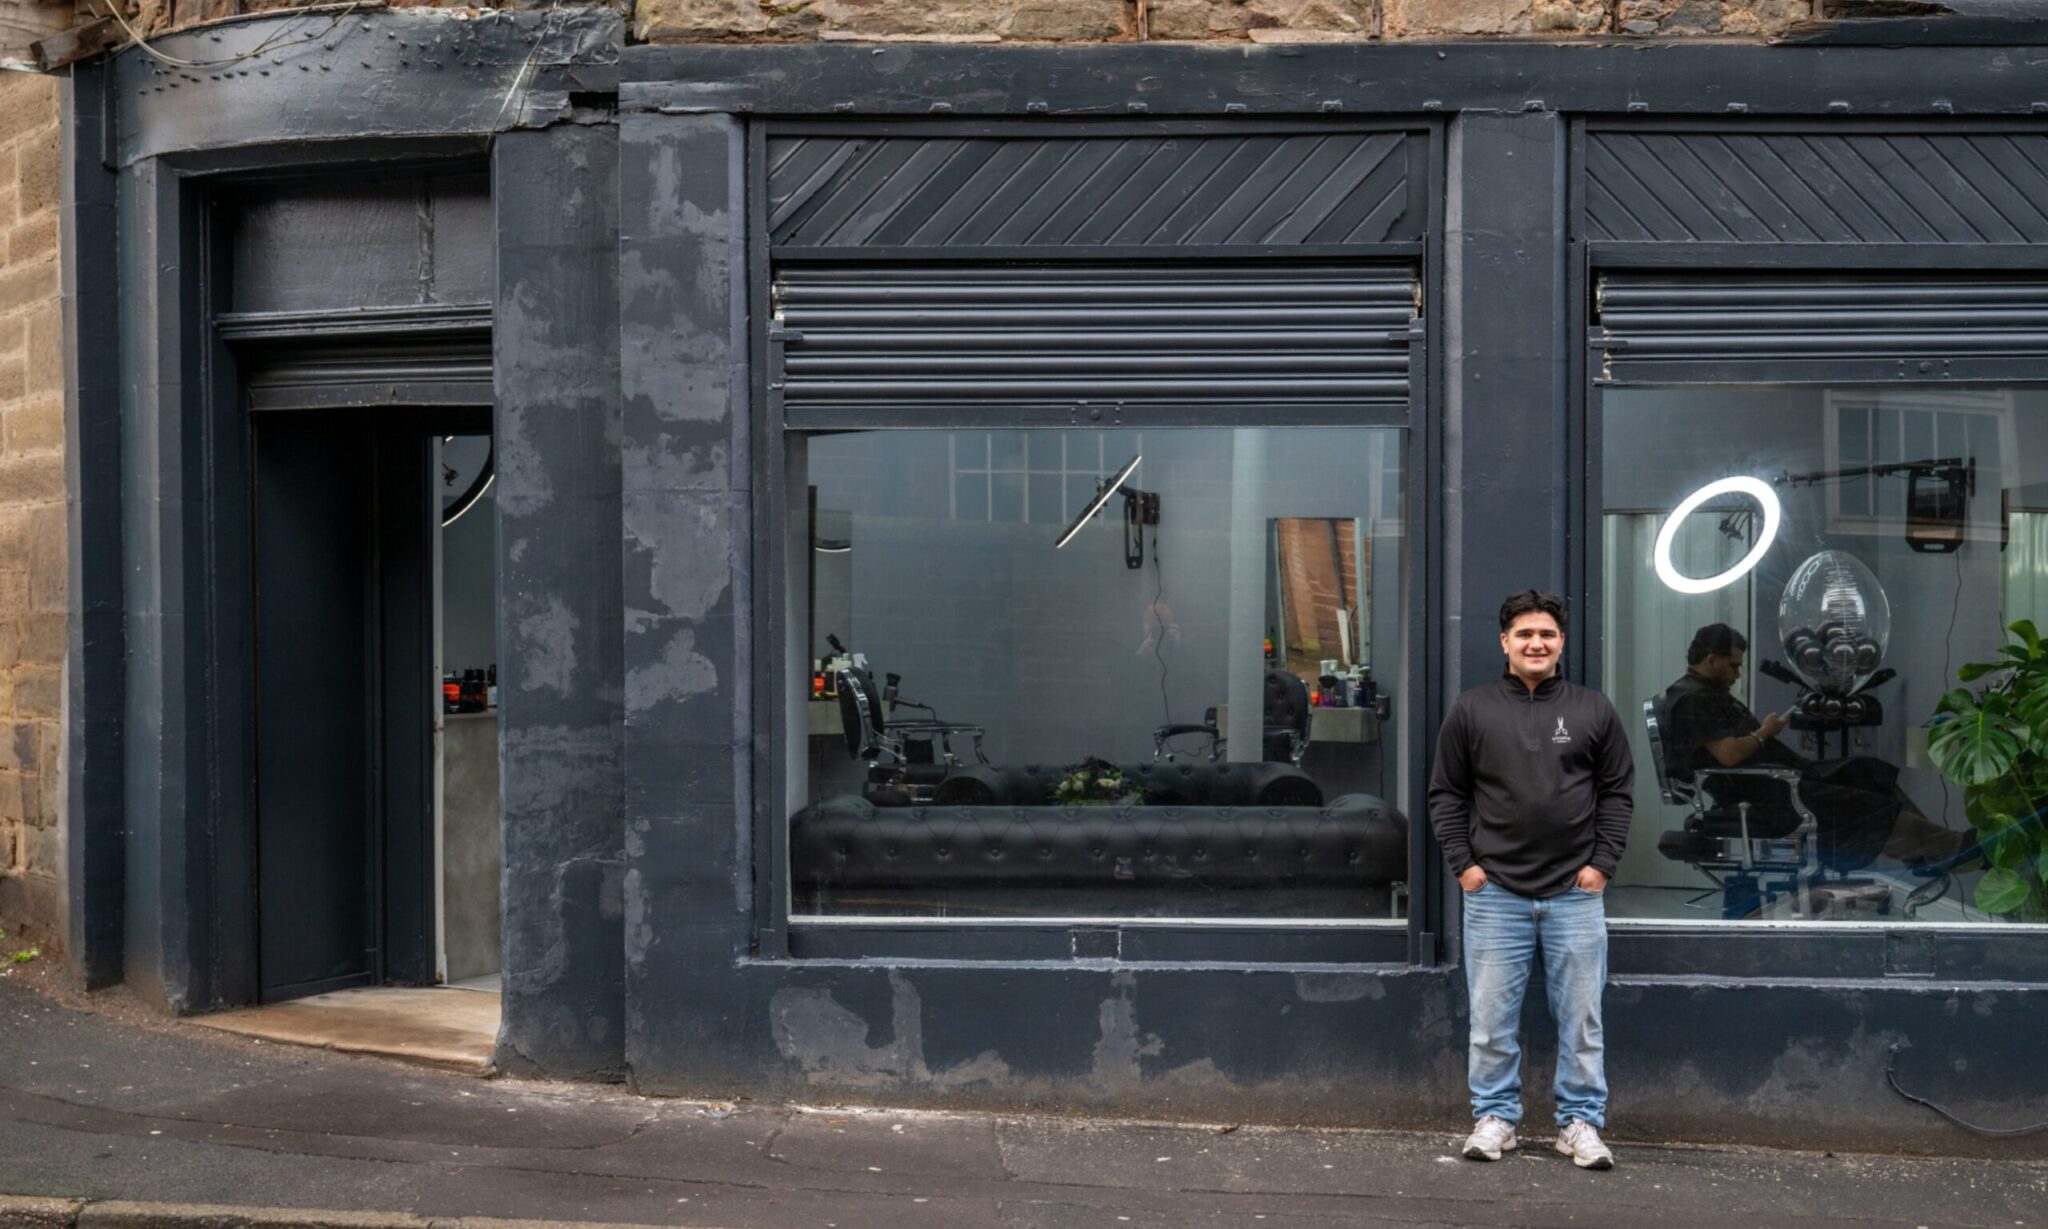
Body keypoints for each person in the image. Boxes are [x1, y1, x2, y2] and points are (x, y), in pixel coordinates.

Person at [1428, 590, 1633, 1171]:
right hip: (1495, 894)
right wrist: (1465, 869)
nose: (1535, 643)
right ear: (1505, 643)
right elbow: (1446, 793)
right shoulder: (1471, 709)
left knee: (1583, 1018)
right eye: (1524, 635)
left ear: (1561, 642)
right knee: (1492, 1020)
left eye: (1545, 634)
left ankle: (1580, 1124)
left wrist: (1602, 866)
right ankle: (1495, 1119)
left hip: (1575, 892)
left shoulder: (1594, 709)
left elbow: (1618, 791)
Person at [1663, 623, 1964, 871]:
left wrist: (1766, 734)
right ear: (1710, 660)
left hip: (1776, 780)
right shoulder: (1694, 699)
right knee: (1870, 804)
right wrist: (1764, 733)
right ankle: (1948, 848)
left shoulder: (1703, 694)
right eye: (1732, 666)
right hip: (1769, 792)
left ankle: (1929, 853)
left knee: (1868, 771)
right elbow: (1728, 755)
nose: (1737, 675)